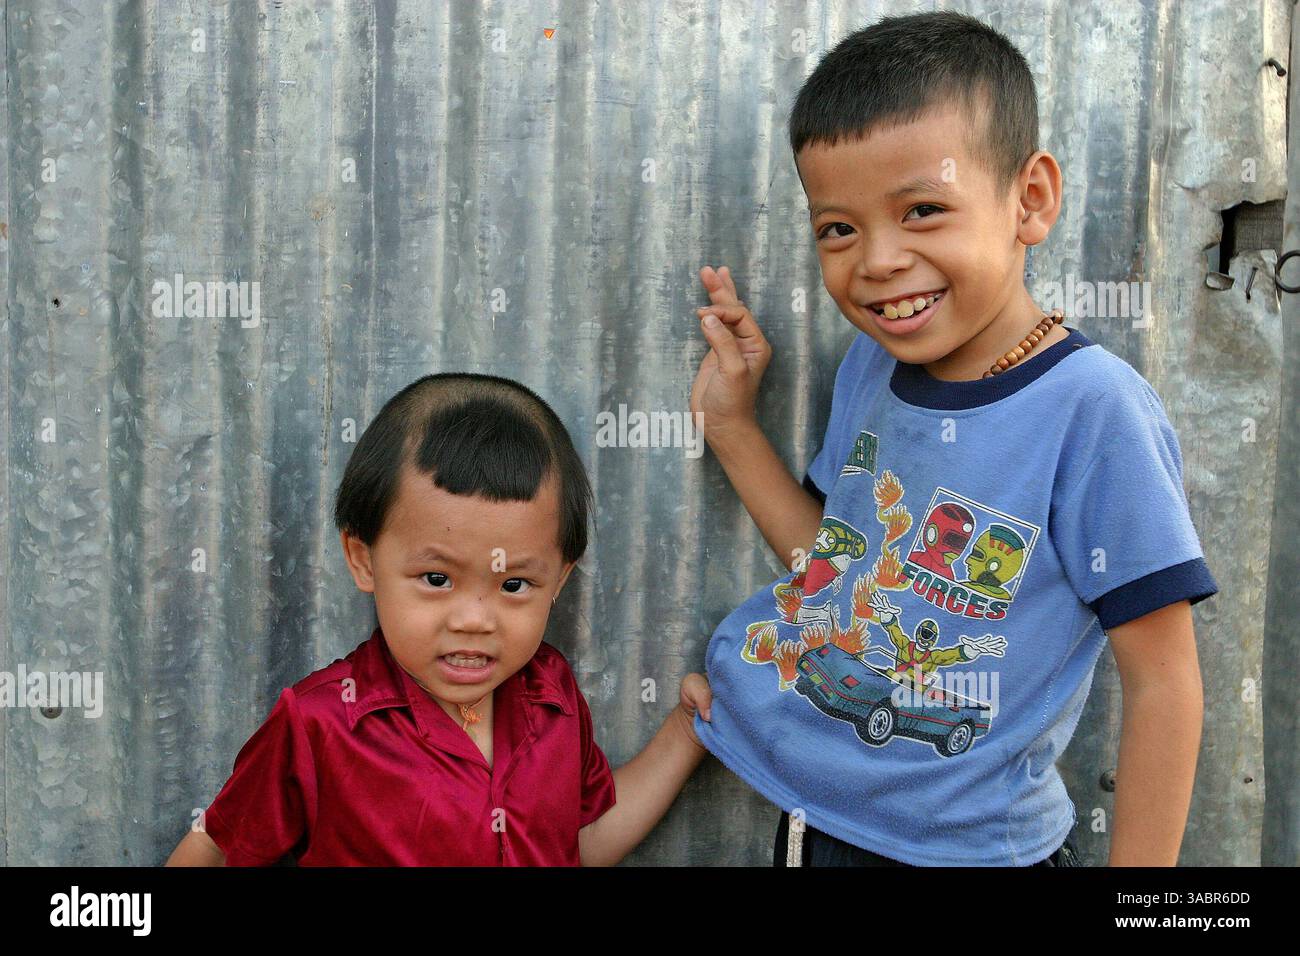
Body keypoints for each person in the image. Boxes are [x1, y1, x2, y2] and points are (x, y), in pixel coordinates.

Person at [688, 11, 1217, 867]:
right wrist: (733, 427)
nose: (878, 261)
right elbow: (838, 570)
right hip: (814, 822)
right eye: (838, 228)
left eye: (924, 209)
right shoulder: (872, 367)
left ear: (1030, 200)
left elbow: (1163, 683)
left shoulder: (1094, 411)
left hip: (970, 852)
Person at [167, 372, 712, 866]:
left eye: (514, 585)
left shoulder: (553, 698)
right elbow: (214, 849)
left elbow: (580, 846)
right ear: (363, 559)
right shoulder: (322, 724)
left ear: (560, 580)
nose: (474, 619)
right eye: (436, 579)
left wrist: (687, 733)